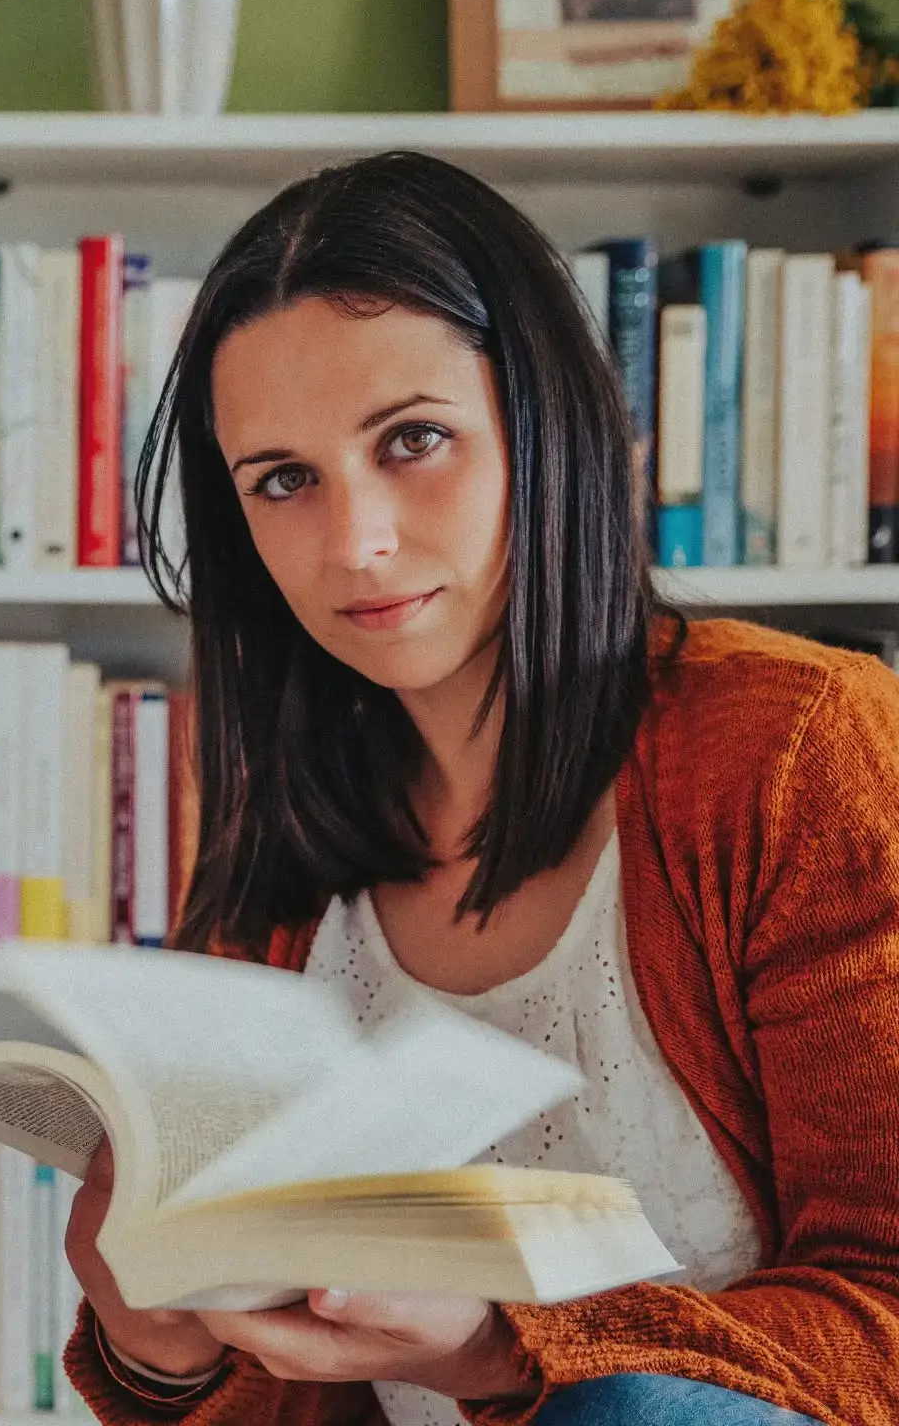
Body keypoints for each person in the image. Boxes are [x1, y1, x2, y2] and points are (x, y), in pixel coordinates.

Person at [60, 150, 899, 1425]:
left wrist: (512, 1346)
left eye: (414, 441)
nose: (358, 543)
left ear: (545, 428)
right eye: (284, 480)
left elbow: (886, 1308)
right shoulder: (275, 833)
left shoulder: (800, 754)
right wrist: (158, 1351)